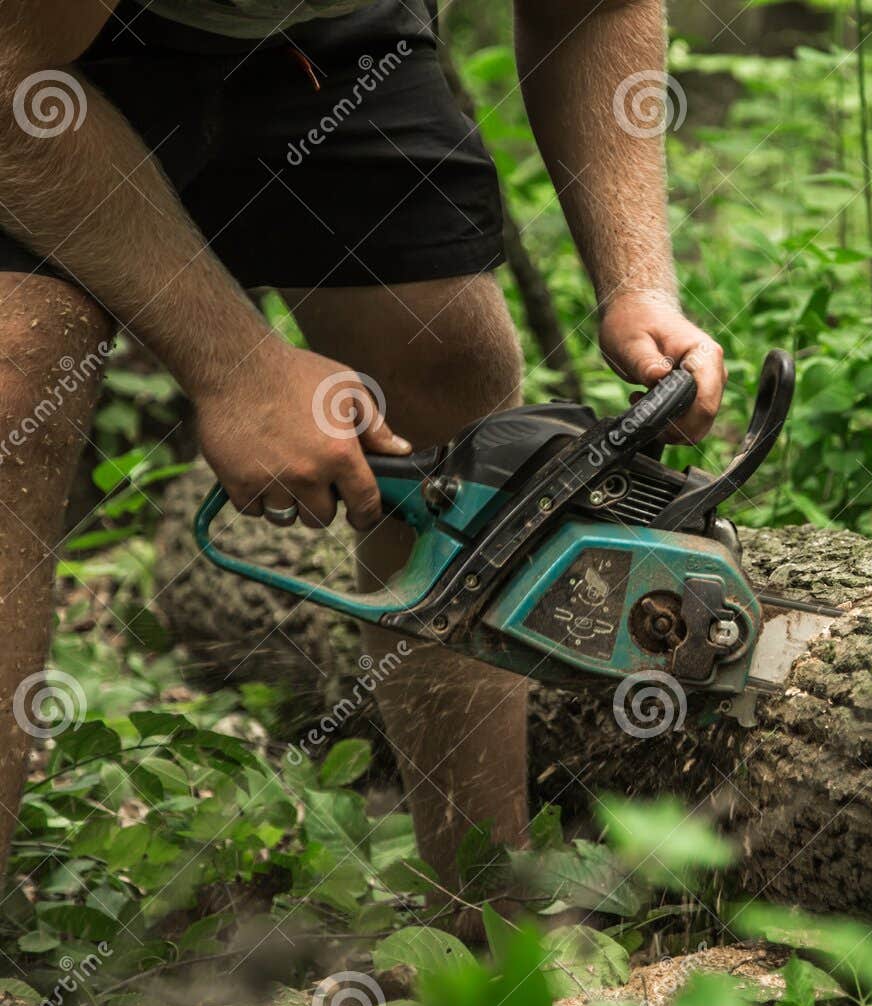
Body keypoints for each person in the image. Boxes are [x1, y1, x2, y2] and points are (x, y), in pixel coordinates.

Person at [0, 0, 726, 894]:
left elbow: (596, 9)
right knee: (16, 371)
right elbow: (12, 72)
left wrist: (636, 285)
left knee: (446, 361)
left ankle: (480, 920)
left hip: (327, 45)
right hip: (38, 63)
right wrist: (237, 366)